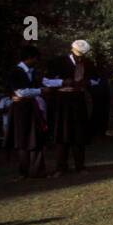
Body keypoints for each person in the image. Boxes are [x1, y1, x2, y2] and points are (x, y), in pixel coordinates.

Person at [45, 39, 97, 175]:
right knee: (62, 133)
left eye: (82, 55)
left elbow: (96, 79)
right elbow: (46, 81)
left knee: (79, 133)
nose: (79, 57)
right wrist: (62, 82)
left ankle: (80, 165)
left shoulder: (88, 64)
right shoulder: (58, 62)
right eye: (77, 54)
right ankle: (61, 167)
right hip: (62, 101)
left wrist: (88, 82)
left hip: (78, 99)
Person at [3, 45, 48, 179]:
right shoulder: (15, 72)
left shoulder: (32, 72)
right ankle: (24, 171)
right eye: (35, 58)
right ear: (30, 58)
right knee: (22, 139)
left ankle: (38, 170)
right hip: (20, 110)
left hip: (32, 108)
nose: (36, 61)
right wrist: (40, 91)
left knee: (36, 137)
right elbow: (20, 92)